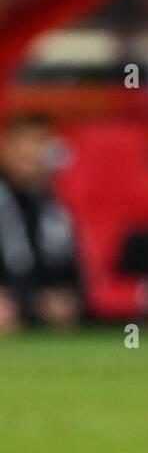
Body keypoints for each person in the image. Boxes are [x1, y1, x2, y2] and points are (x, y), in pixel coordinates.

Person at [0, 115, 82, 332]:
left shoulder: (54, 202)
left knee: (63, 312)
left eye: (39, 143)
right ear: (5, 147)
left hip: (37, 302)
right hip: (8, 303)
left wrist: (64, 295)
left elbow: (69, 265)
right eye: (23, 143)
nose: (31, 152)